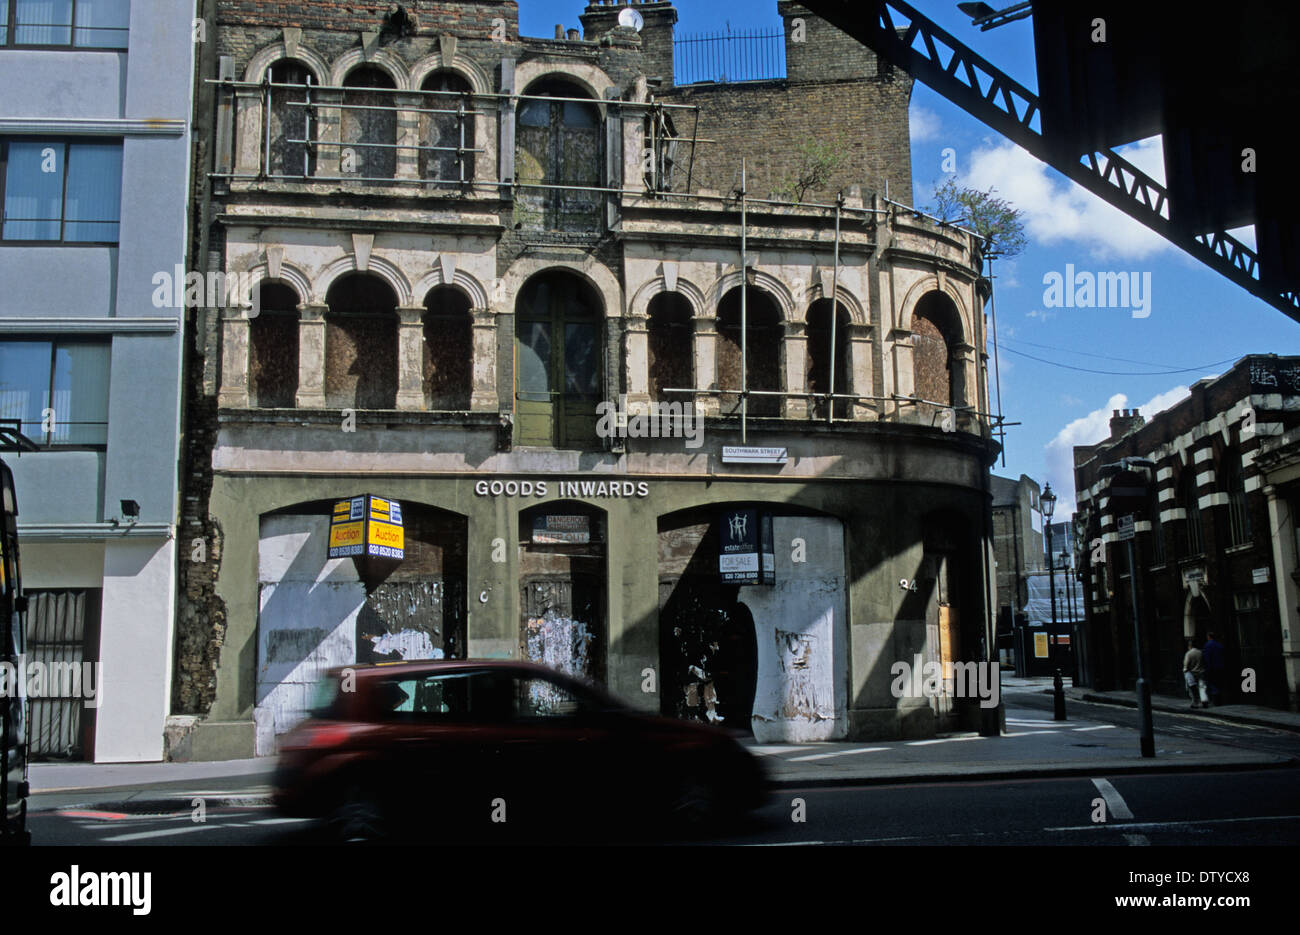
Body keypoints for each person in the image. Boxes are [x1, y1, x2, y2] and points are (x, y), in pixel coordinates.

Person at [1202, 632, 1226, 706]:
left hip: (1212, 668)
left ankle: (1216, 702)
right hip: (1221, 667)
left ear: (1209, 637)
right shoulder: (1219, 645)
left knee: (1213, 684)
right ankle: (1220, 701)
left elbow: (1207, 658)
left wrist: (1207, 668)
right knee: (1219, 683)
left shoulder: (1208, 645)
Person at [1182, 639, 1207, 708]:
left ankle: (1195, 702)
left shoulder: (1188, 653)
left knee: (1193, 689)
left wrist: (1185, 670)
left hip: (1192, 673)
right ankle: (1204, 700)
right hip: (1201, 672)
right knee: (1202, 687)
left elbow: (1186, 665)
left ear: (1190, 646)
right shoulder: (1200, 652)